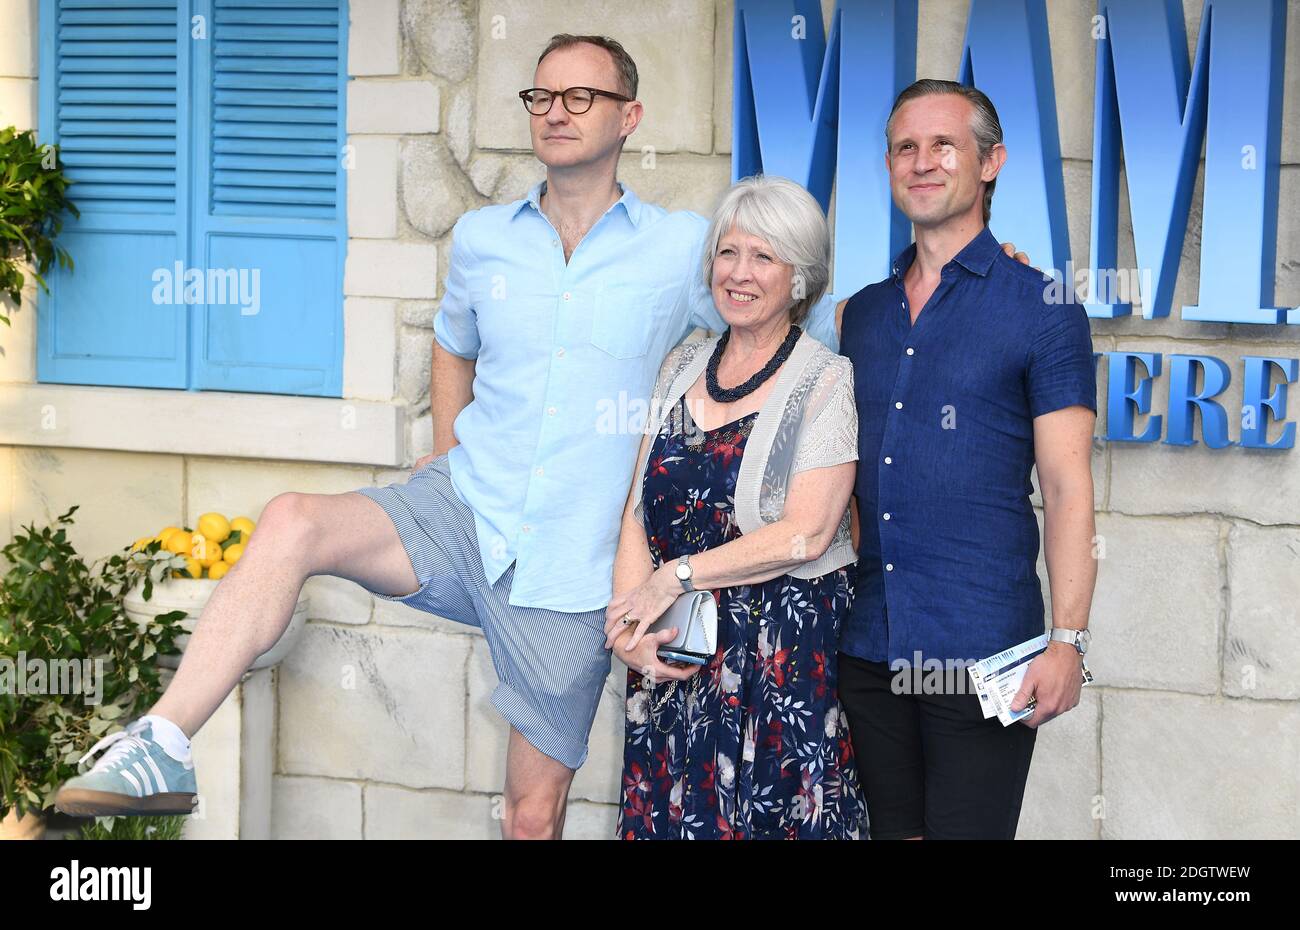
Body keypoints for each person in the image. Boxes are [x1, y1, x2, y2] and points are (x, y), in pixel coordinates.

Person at [52, 34, 1028, 839]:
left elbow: (786, 303)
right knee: (294, 517)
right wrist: (443, 452)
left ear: (626, 118)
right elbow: (450, 342)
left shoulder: (683, 248)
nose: (555, 111)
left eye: (580, 95)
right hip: (462, 515)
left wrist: (957, 259)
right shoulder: (482, 238)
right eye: (542, 95)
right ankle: (163, 746)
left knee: (531, 815)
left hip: (571, 573)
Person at [834, 79, 1097, 840]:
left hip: (986, 648)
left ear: (991, 163)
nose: (921, 162)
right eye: (905, 147)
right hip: (867, 642)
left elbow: (1067, 485)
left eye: (943, 145)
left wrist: (1069, 640)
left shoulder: (1043, 308)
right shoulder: (861, 315)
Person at [606, 176, 864, 839]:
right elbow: (638, 508)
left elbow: (805, 534)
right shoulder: (684, 363)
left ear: (799, 279)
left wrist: (676, 575)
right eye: (728, 252)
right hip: (676, 665)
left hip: (777, 670)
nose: (739, 273)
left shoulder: (825, 380)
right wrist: (628, 631)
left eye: (763, 257)